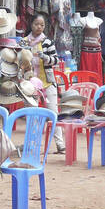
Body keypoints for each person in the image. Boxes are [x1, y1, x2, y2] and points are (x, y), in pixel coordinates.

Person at [25, 13, 66, 153]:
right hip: (29, 84)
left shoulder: (48, 42)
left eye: (42, 25)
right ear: (31, 24)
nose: (39, 27)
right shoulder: (24, 42)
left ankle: (60, 144)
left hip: (47, 82)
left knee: (53, 113)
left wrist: (46, 58)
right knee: (32, 115)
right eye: (37, 24)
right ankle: (32, 144)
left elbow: (56, 60)